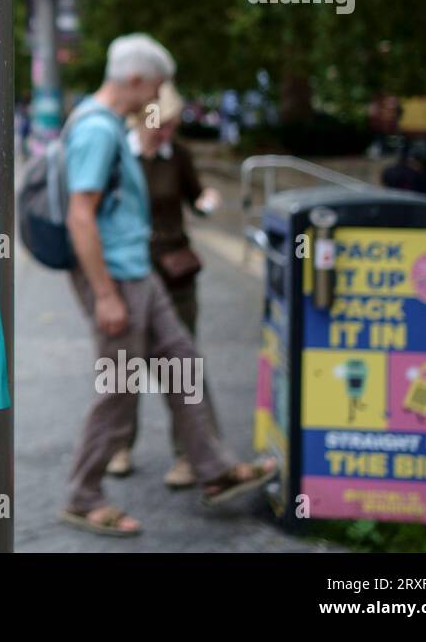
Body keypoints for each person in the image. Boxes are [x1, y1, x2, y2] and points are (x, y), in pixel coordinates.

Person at [59, 34, 275, 537]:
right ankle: (82, 495)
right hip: (117, 278)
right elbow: (80, 216)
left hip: (139, 273)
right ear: (135, 80)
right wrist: (107, 294)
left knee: (183, 362)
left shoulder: (109, 126)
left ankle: (214, 469)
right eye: (156, 87)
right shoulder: (97, 130)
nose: (158, 99)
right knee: (118, 389)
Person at [105, 82, 223, 488]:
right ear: (142, 118)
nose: (166, 132)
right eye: (160, 123)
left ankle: (187, 454)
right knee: (122, 367)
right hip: (132, 272)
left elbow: (197, 196)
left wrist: (207, 200)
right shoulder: (120, 154)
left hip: (175, 277)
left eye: (172, 125)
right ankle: (118, 445)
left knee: (181, 367)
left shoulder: (179, 156)